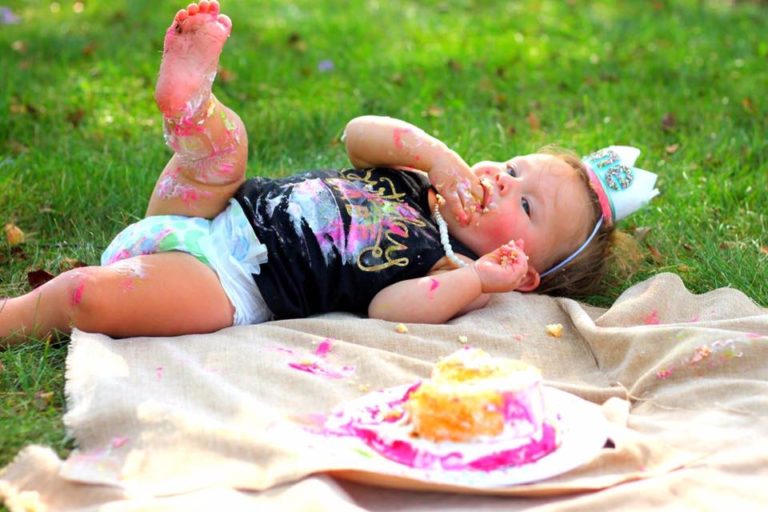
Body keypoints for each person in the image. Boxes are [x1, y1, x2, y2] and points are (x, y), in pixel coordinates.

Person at [0, 1, 658, 346]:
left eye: (527, 205)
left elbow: (389, 307)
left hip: (229, 283)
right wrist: (432, 153)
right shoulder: (416, 177)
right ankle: (190, 106)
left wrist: (479, 280)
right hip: (213, 207)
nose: (505, 180)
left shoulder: (450, 268)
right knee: (225, 150)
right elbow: (357, 133)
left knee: (87, 296)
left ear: (522, 266)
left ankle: (15, 316)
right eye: (513, 168)